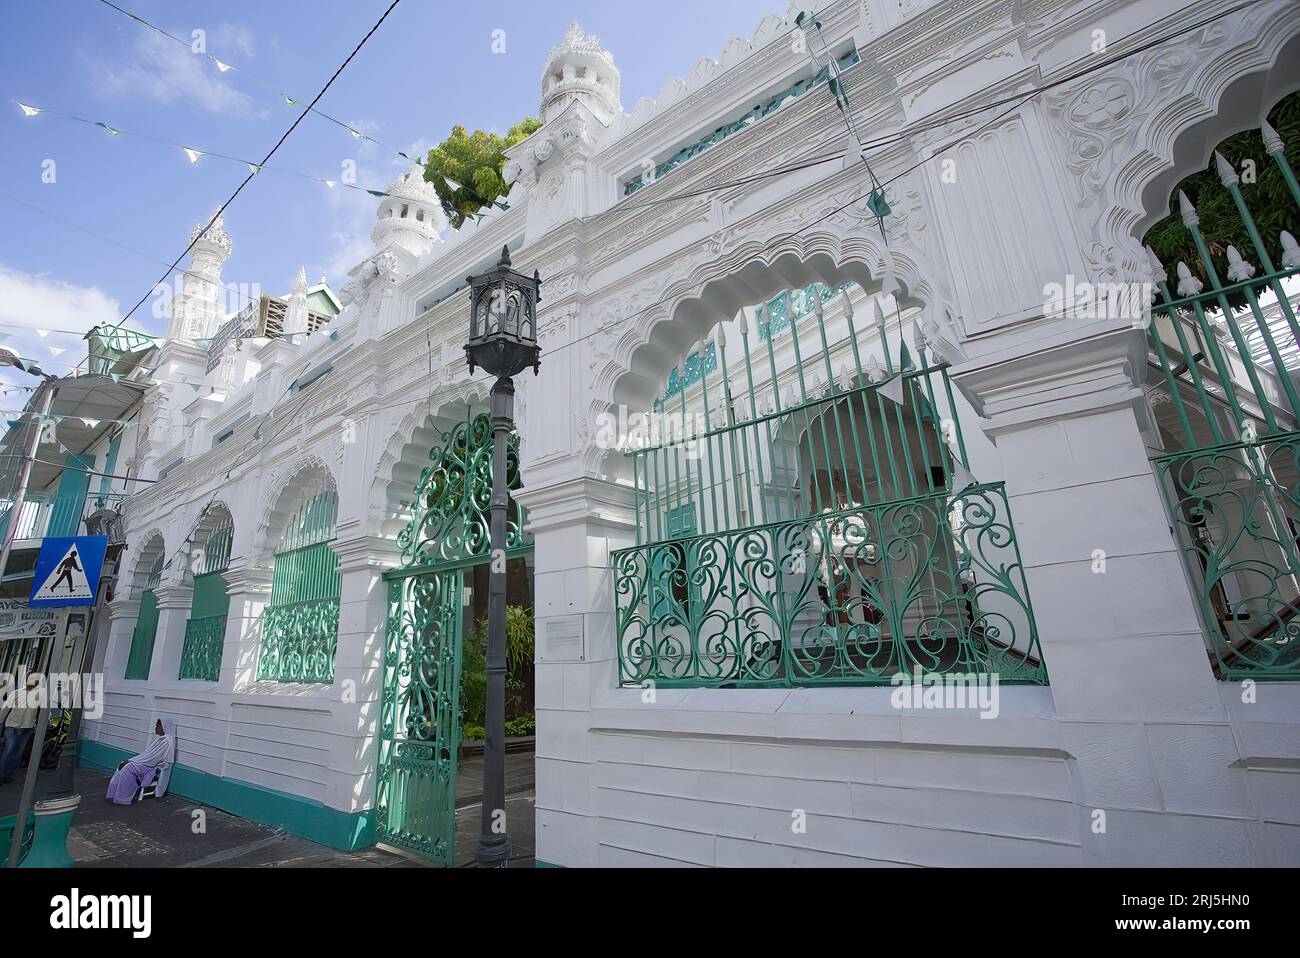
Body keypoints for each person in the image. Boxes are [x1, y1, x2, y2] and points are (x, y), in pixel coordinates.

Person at [105, 719, 175, 805]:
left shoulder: (166, 742)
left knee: (128, 768)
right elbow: (146, 755)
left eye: (158, 725)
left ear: (164, 727)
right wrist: (132, 761)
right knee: (123, 764)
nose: (155, 726)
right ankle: (113, 794)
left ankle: (123, 798)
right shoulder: (159, 739)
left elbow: (153, 759)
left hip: (150, 767)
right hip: (144, 763)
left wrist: (133, 761)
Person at [0, 673, 42, 784]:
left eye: (36, 680)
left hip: (27, 728)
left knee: (18, 753)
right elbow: (5, 708)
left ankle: (8, 774)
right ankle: (0, 775)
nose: (34, 681)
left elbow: (43, 710)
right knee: (8, 751)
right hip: (12, 727)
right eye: (32, 678)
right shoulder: (16, 693)